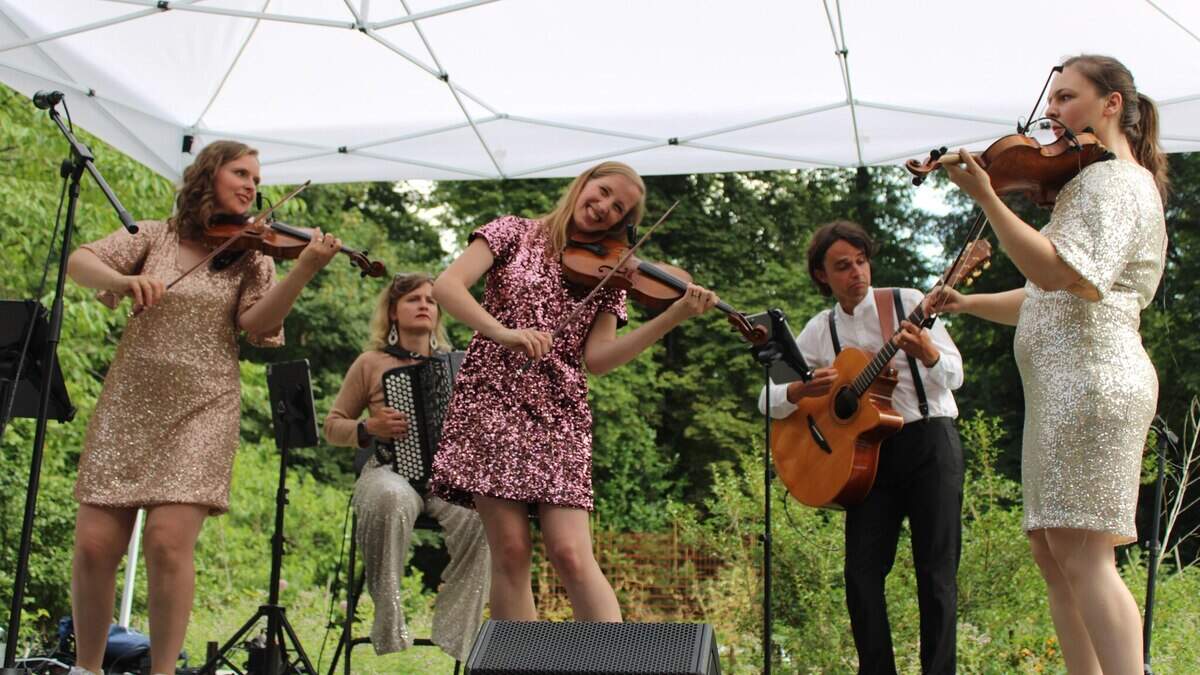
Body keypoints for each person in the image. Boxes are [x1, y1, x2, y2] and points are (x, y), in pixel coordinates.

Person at [65, 140, 341, 675]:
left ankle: (164, 671)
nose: (252, 186)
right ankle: (86, 668)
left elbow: (258, 326)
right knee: (95, 547)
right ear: (208, 175)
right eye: (241, 173)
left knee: (167, 544)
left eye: (256, 179)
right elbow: (81, 261)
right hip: (130, 402)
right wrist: (123, 281)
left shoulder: (253, 255)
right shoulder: (153, 235)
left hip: (204, 407)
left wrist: (303, 270)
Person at [934, 54, 1167, 674]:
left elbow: (1060, 272)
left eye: (1066, 97)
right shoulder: (1088, 183)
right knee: (1054, 551)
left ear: (1111, 104)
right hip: (1067, 387)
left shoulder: (1113, 182)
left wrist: (987, 196)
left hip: (1092, 381)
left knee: (1083, 553)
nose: (1051, 109)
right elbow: (1046, 297)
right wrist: (967, 302)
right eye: (1052, 97)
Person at [429, 161, 718, 622]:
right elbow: (446, 287)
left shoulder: (611, 273)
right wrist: (503, 332)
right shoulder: (512, 232)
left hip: (560, 413)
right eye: (602, 192)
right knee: (511, 551)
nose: (604, 207)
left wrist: (673, 316)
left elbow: (599, 359)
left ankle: (616, 659)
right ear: (583, 183)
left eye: (618, 208)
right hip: (491, 399)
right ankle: (519, 659)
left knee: (571, 554)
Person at [760, 220, 965, 674]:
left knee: (936, 575)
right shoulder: (821, 330)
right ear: (822, 275)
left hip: (929, 443)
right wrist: (801, 390)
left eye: (861, 261)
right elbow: (766, 399)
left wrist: (929, 354)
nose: (856, 272)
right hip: (866, 458)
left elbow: (955, 374)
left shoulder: (908, 303)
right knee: (860, 577)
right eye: (842, 266)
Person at [323, 272, 489, 662]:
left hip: (445, 479)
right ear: (394, 312)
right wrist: (369, 428)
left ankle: (457, 632)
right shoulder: (371, 363)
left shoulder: (459, 365)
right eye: (414, 299)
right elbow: (332, 426)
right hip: (388, 469)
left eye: (431, 300)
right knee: (390, 497)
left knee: (486, 515)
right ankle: (389, 619)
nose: (424, 305)